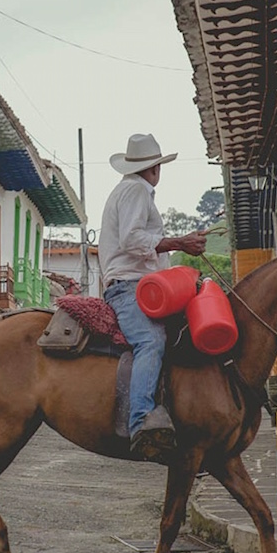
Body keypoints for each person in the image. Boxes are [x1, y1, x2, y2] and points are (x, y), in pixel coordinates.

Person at [98, 133, 206, 461]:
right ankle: (141, 420)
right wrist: (179, 243)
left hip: (139, 284)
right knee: (151, 341)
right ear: (155, 168)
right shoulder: (135, 190)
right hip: (127, 286)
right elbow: (132, 239)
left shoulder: (132, 190)